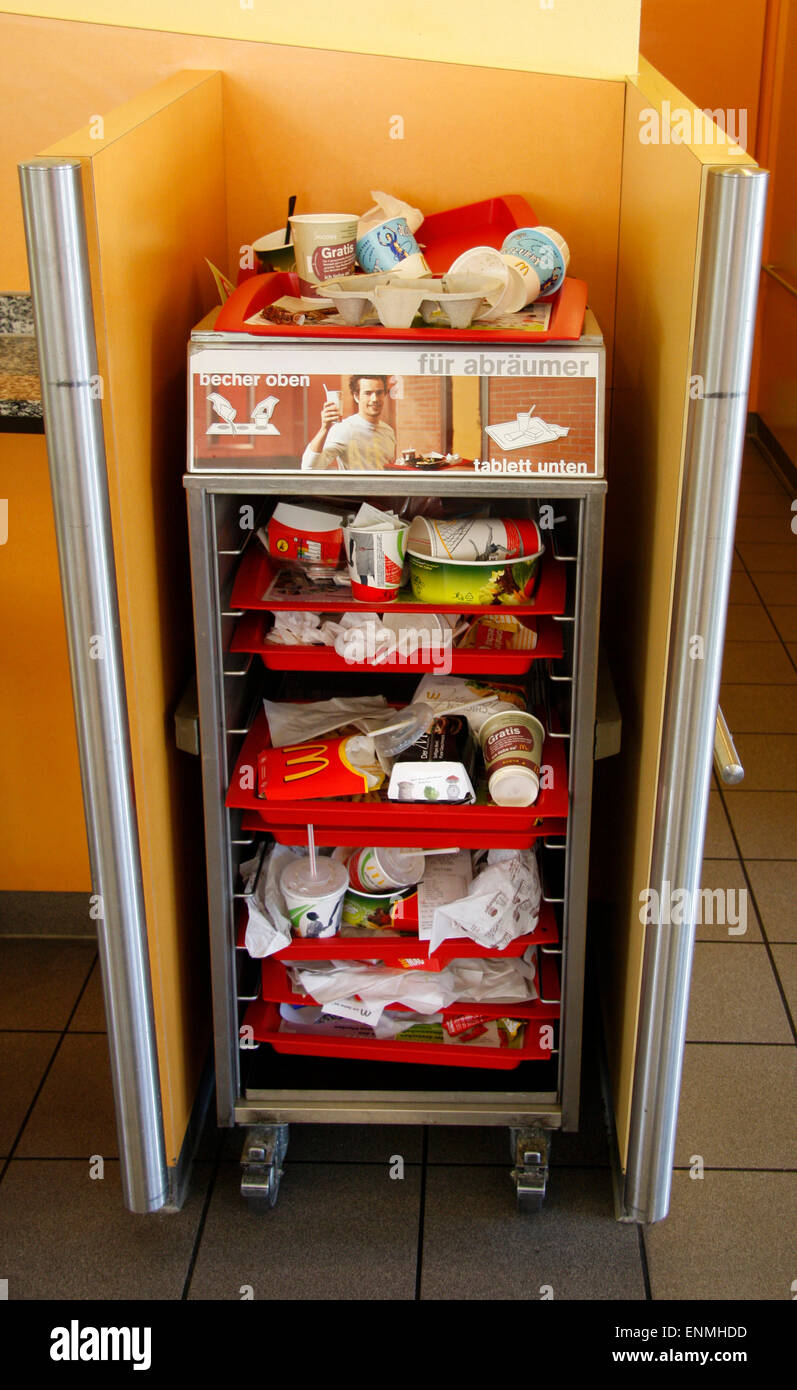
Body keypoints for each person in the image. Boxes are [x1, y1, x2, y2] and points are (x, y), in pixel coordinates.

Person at [301, 375, 396, 470]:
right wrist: (324, 429)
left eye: (379, 393)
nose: (374, 399)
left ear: (385, 395)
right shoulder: (344, 429)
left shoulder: (388, 431)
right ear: (356, 397)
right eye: (368, 393)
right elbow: (309, 467)